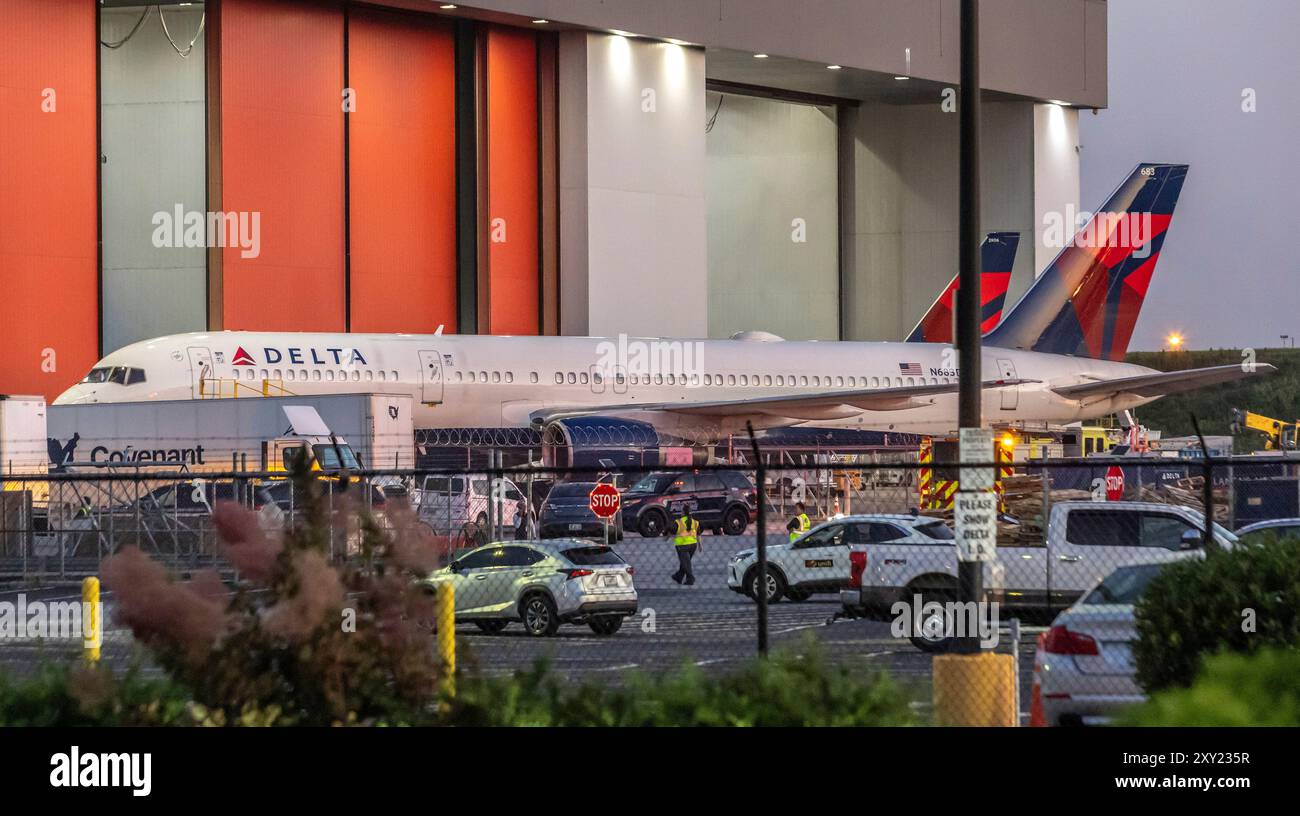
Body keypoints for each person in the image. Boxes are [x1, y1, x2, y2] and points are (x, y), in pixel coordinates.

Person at [670, 506, 701, 585]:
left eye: (681, 511)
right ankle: (679, 576)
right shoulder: (695, 522)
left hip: (682, 545)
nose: (681, 512)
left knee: (685, 563)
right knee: (685, 562)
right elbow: (698, 534)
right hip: (693, 545)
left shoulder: (678, 522)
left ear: (683, 512)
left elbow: (672, 531)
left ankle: (690, 578)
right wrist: (700, 545)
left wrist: (666, 537)